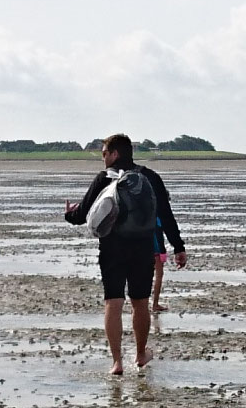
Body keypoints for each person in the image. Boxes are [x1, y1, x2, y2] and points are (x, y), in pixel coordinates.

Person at [63, 134, 187, 375]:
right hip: (142, 247)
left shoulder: (104, 179)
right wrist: (178, 247)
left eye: (104, 154)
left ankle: (117, 362)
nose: (103, 159)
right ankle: (141, 355)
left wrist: (69, 213)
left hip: (111, 247)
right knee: (140, 302)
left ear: (114, 154)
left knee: (113, 301)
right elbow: (166, 214)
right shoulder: (149, 177)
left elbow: (82, 216)